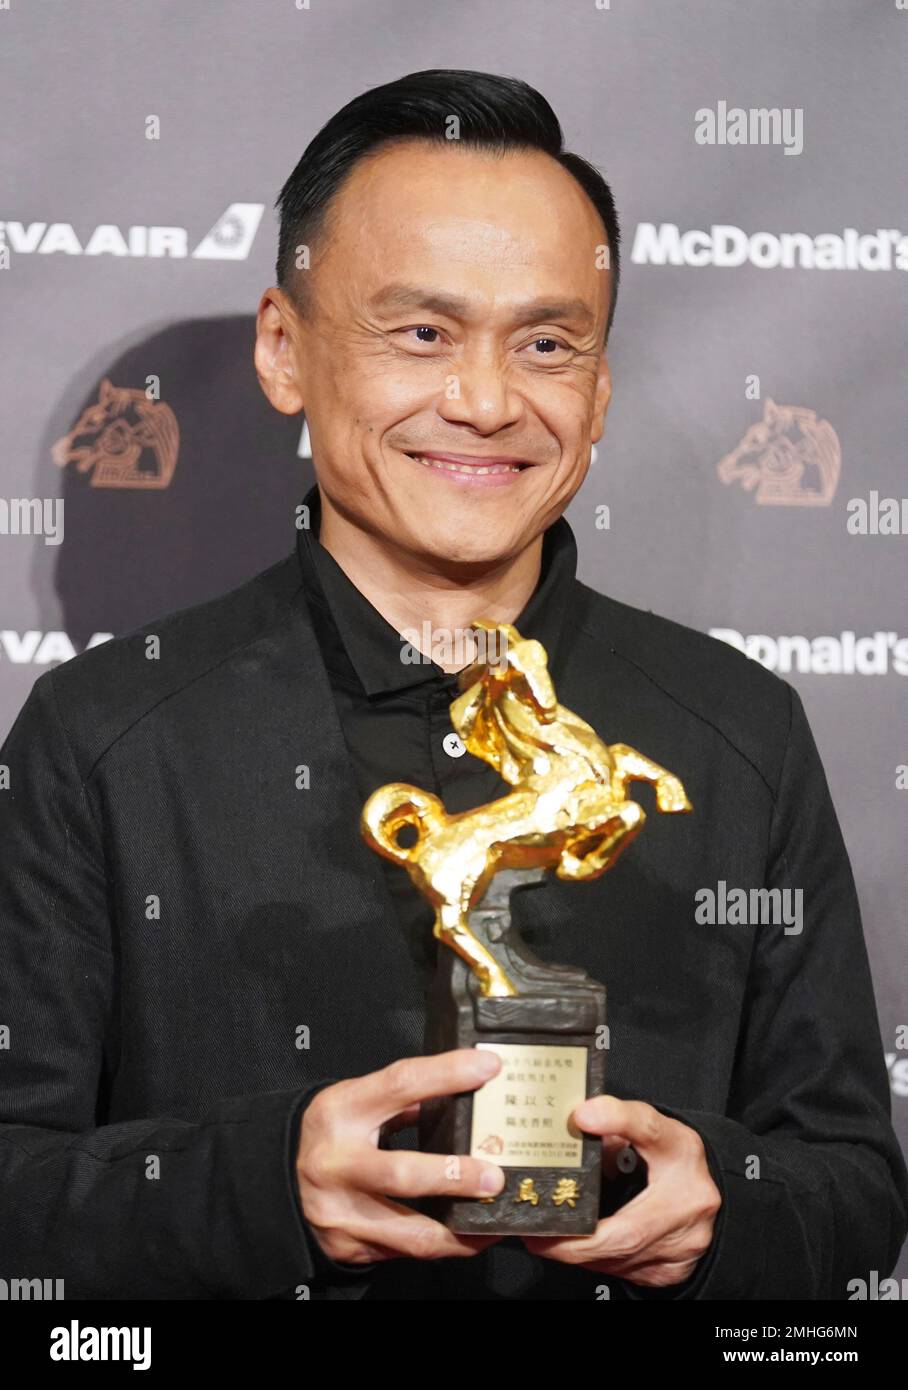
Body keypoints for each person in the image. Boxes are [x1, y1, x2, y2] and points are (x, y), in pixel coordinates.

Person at [1, 69, 905, 1301]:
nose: (484, 402)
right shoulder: (103, 736)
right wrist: (261, 1183)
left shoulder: (736, 728)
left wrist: (723, 1209)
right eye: (420, 333)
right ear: (285, 350)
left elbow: (852, 1182)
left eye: (546, 343)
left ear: (596, 390)